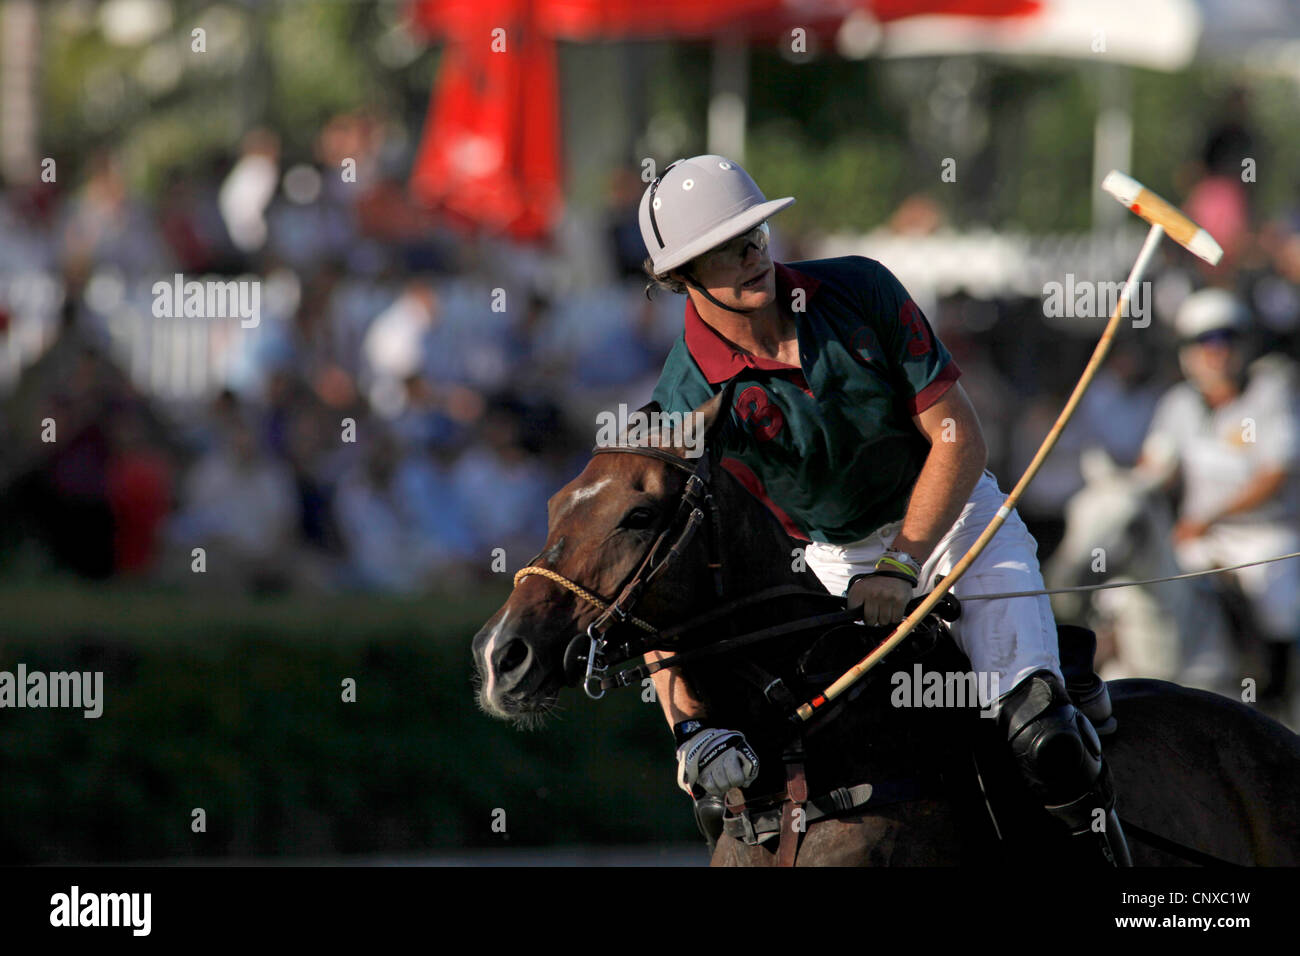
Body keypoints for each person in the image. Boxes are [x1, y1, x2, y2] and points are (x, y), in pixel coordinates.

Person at [637, 155, 1130, 865]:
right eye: (722, 253)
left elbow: (959, 440)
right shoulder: (685, 401)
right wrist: (688, 728)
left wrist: (902, 562)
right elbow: (662, 574)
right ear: (680, 279)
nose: (752, 259)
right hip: (828, 566)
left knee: (1042, 736)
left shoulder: (858, 288)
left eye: (754, 237)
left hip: (958, 525)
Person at [1139, 289, 1300, 713]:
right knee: (1139, 586)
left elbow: (1275, 474)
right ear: (1186, 351)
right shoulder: (1177, 404)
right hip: (1198, 536)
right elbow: (1154, 470)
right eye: (1205, 341)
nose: (1218, 351)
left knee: (1278, 597)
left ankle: (1273, 697)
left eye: (1227, 339)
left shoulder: (1271, 394)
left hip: (1264, 536)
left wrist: (1210, 515)